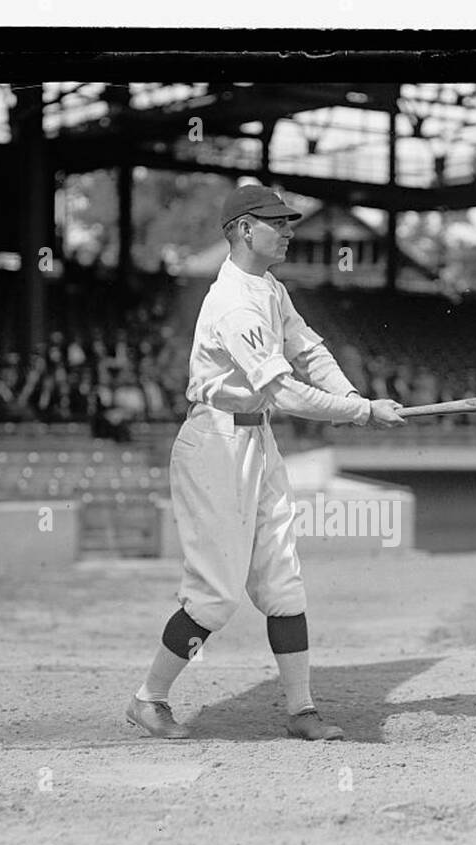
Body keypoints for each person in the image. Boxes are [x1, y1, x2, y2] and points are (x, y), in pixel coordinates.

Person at [127, 183, 406, 741]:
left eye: (289, 222)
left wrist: (354, 399)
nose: (289, 230)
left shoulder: (270, 287)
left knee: (283, 581)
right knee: (217, 595)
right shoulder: (232, 299)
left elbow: (309, 351)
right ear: (245, 229)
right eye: (278, 223)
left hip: (257, 440)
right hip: (215, 444)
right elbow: (283, 390)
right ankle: (149, 699)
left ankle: (301, 709)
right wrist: (359, 414)